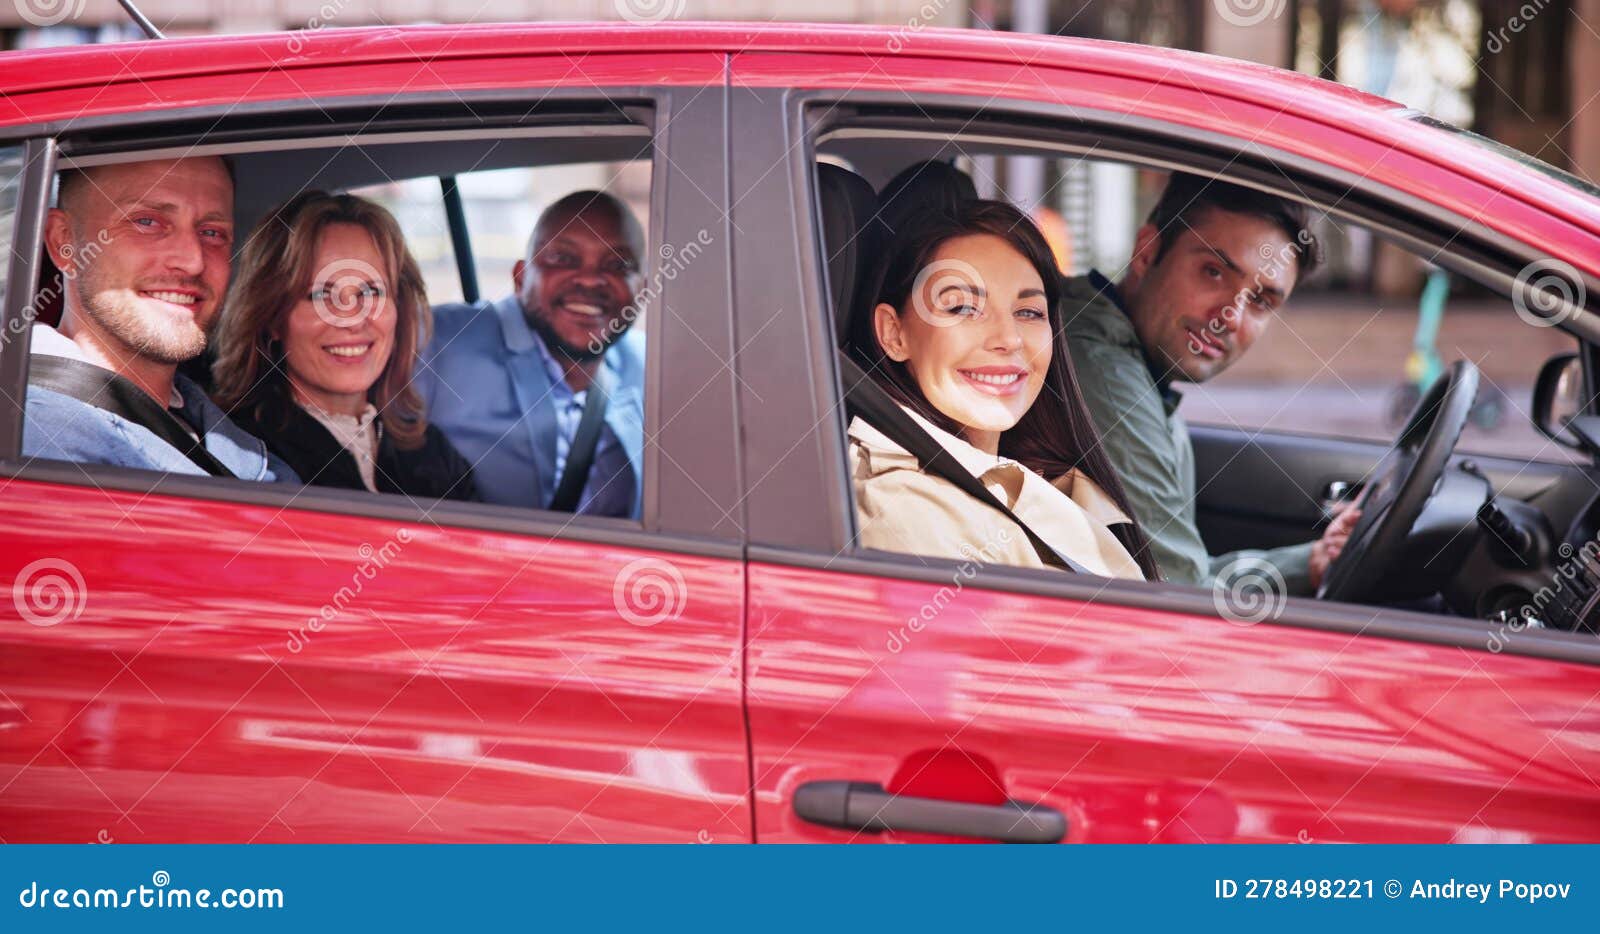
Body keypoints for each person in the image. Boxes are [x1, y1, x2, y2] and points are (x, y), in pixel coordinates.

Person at [1063, 172, 1359, 595]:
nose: (1230, 317)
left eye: (1259, 301)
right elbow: (1182, 596)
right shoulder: (1103, 372)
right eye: (1213, 272)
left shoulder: (1138, 366)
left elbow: (1184, 574)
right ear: (1147, 253)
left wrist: (1312, 563)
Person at [843, 198, 1160, 581]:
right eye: (961, 308)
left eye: (1028, 312)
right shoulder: (903, 510)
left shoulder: (1030, 470)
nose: (1009, 339)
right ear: (894, 333)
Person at [24, 156, 295, 483]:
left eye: (212, 232)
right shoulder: (37, 444)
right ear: (63, 241)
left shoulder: (207, 419)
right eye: (147, 222)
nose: (193, 261)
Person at [211, 191, 478, 501]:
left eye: (372, 292)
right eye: (321, 295)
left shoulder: (431, 449)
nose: (353, 320)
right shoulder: (239, 456)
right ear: (272, 318)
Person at [416, 190, 644, 517]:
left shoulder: (658, 367)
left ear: (644, 289)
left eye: (617, 264)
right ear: (521, 277)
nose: (591, 279)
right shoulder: (435, 341)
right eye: (564, 258)